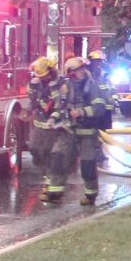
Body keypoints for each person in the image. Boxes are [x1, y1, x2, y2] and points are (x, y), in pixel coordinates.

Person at [49, 56, 111, 205]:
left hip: (87, 133)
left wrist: (82, 112)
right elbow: (60, 108)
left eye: (83, 68)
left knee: (87, 165)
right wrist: (53, 118)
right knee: (58, 158)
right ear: (71, 73)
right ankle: (55, 192)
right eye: (79, 69)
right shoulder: (66, 88)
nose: (83, 71)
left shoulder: (92, 87)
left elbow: (100, 108)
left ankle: (90, 195)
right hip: (69, 132)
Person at [26, 56, 64, 202]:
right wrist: (28, 111)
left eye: (45, 75)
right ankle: (47, 178)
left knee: (49, 153)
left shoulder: (59, 85)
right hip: (39, 123)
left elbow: (60, 106)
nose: (43, 78)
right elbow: (33, 101)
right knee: (35, 149)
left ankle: (50, 185)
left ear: (51, 71)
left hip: (53, 126)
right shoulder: (35, 84)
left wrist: (53, 118)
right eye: (40, 76)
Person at [87, 48, 114, 166]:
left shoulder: (104, 75)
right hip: (92, 110)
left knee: (102, 132)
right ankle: (93, 153)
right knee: (92, 132)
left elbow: (111, 89)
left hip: (104, 109)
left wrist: (113, 102)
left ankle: (99, 152)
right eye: (95, 62)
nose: (97, 64)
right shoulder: (87, 76)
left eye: (99, 62)